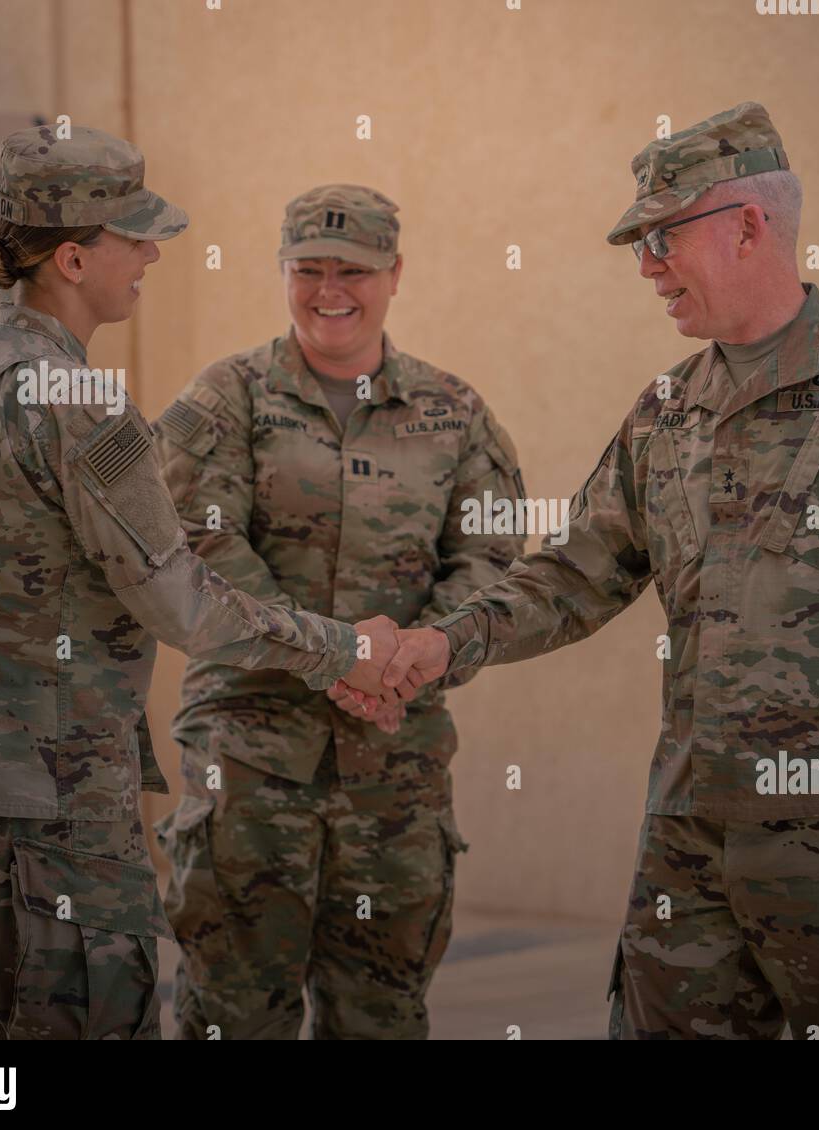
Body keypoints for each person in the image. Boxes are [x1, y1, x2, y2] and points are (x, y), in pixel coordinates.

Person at [382, 102, 819, 1039]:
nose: (645, 266)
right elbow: (574, 575)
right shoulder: (667, 413)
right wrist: (439, 643)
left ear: (749, 226)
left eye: (663, 237)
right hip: (690, 857)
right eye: (638, 244)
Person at [0, 126, 396, 1041]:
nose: (153, 253)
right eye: (135, 235)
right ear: (73, 257)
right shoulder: (78, 402)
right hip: (46, 804)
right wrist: (346, 648)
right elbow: (181, 601)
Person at [153, 184, 525, 1039]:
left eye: (352, 270)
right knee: (232, 1014)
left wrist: (411, 659)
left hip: (395, 766)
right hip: (249, 764)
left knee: (382, 1015)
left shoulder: (456, 414)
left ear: (395, 273)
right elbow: (205, 554)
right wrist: (335, 655)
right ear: (282, 272)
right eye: (309, 269)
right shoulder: (223, 403)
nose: (331, 290)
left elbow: (492, 560)